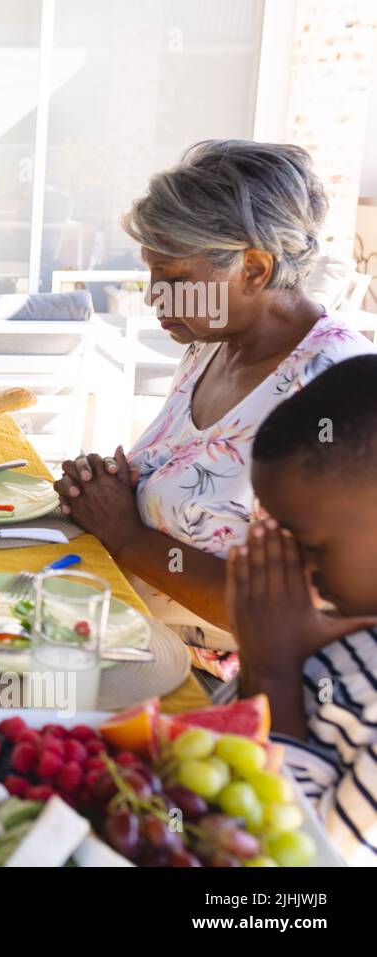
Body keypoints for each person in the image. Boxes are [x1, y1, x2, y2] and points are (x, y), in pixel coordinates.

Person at [52, 140, 374, 680]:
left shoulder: (338, 393)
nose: (154, 297)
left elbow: (295, 614)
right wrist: (108, 489)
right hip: (134, 638)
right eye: (150, 274)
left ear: (253, 268)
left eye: (175, 280)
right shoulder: (213, 346)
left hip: (229, 689)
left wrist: (126, 534)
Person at [225, 355, 377, 865]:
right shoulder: (337, 631)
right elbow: (217, 736)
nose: (299, 571)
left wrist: (273, 671)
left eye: (310, 547)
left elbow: (303, 862)